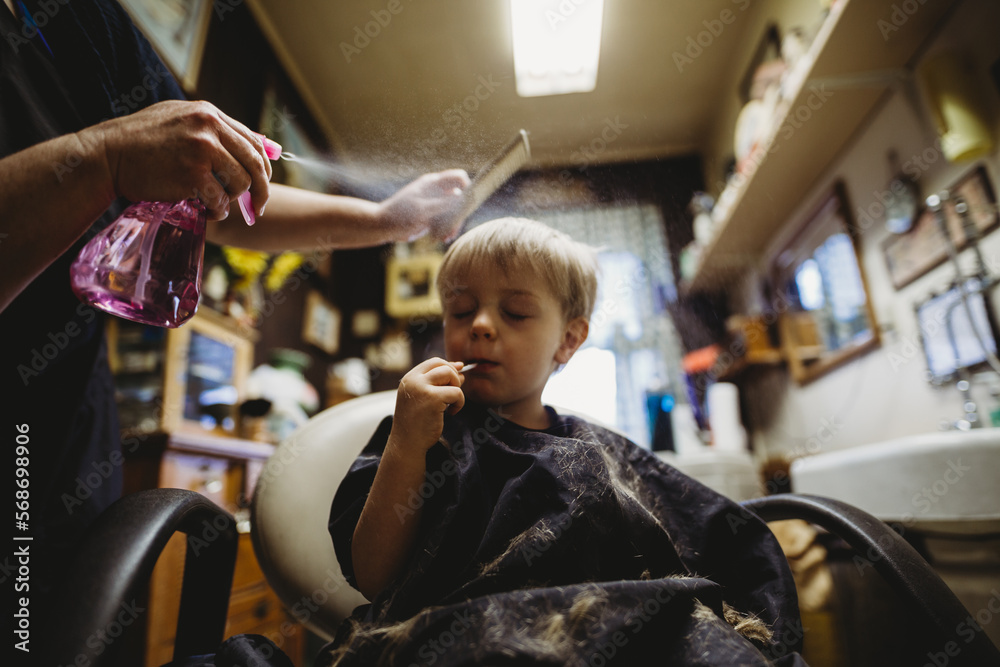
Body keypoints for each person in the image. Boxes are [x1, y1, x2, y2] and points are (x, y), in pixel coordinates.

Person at [0, 0, 469, 616]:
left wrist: (385, 220)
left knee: (65, 619)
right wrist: (104, 157)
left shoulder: (87, 22)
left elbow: (226, 194)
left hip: (68, 408)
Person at [322, 218, 807, 666]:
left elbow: (709, 545)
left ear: (569, 340)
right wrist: (406, 443)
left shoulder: (591, 449)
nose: (481, 325)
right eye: (461, 310)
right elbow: (374, 577)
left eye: (514, 312)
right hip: (457, 635)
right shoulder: (423, 435)